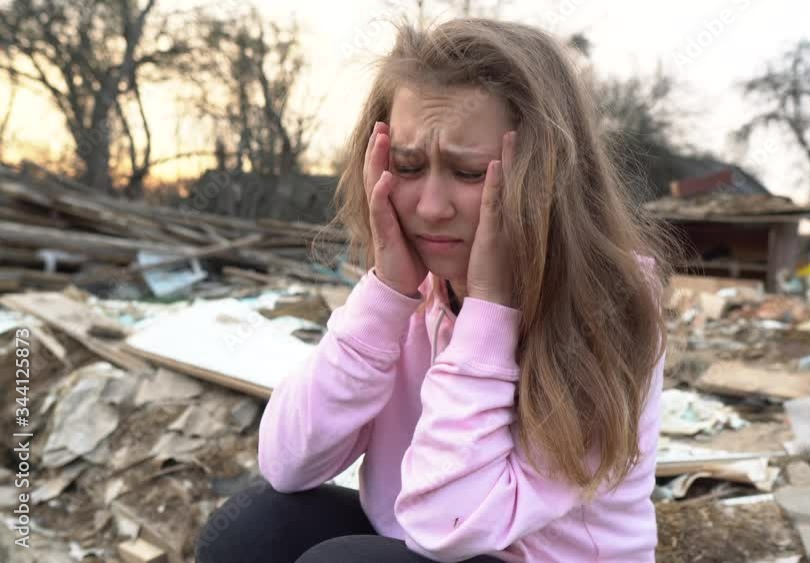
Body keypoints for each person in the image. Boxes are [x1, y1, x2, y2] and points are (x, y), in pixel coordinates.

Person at [196, 16, 672, 563]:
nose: (430, 206)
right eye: (408, 165)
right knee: (252, 532)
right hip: (420, 540)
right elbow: (287, 461)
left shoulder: (607, 305)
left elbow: (444, 527)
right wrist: (384, 296)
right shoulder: (420, 286)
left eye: (470, 173)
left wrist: (490, 311)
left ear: (545, 178)